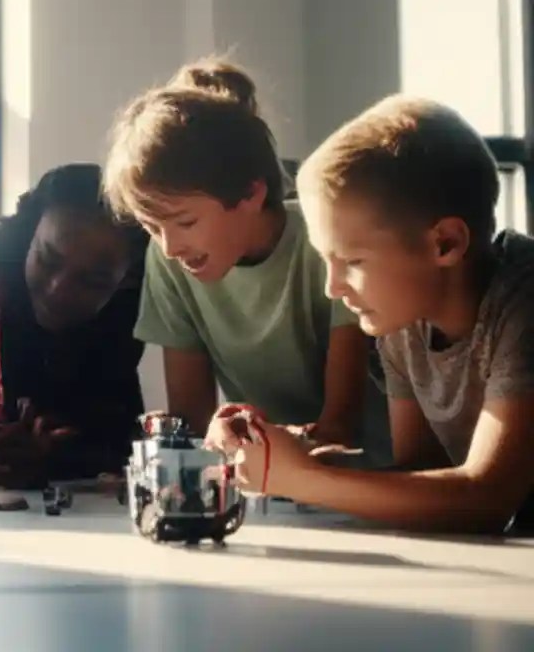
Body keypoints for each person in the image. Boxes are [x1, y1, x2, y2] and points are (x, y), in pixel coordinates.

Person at [207, 95, 534, 533]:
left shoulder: (522, 303)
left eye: (353, 262)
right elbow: (421, 471)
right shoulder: (404, 321)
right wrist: (292, 457)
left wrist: (308, 481)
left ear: (445, 244)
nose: (333, 287)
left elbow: (488, 498)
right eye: (327, 260)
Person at [103, 58, 387, 458]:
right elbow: (192, 428)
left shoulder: (325, 240)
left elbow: (339, 430)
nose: (169, 247)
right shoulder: (168, 260)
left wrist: (240, 441)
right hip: (277, 481)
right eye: (152, 226)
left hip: (378, 476)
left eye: (185, 222)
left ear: (251, 194)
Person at [0, 163, 148, 489]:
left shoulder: (144, 293)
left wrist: (58, 457)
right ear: (29, 233)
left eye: (93, 280)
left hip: (93, 473)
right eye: (48, 259)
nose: (60, 288)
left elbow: (124, 439)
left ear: (127, 278)